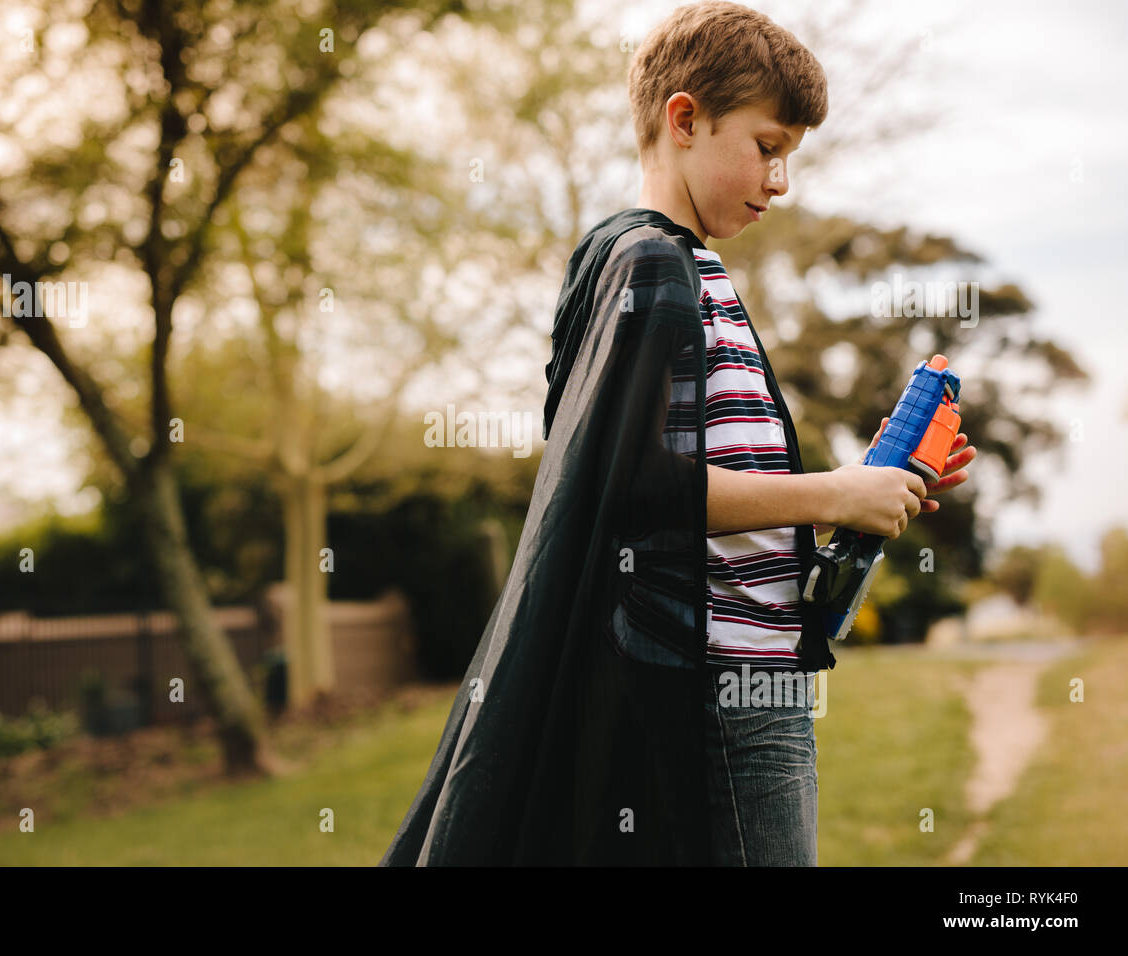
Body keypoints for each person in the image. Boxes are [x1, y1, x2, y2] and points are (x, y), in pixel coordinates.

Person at [380, 0, 975, 867]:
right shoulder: (651, 263)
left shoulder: (685, 268)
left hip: (750, 672)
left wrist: (877, 480)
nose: (780, 182)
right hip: (735, 684)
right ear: (684, 119)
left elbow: (693, 475)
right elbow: (634, 488)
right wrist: (835, 491)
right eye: (768, 148)